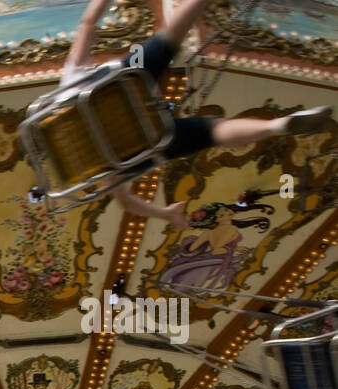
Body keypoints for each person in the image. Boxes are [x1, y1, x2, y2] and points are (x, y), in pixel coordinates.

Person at [59, 0, 332, 227]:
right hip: (117, 91)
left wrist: (165, 214)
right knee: (169, 38)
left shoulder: (97, 163)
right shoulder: (65, 92)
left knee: (211, 131)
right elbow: (89, 22)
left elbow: (126, 202)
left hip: (133, 145)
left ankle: (277, 126)